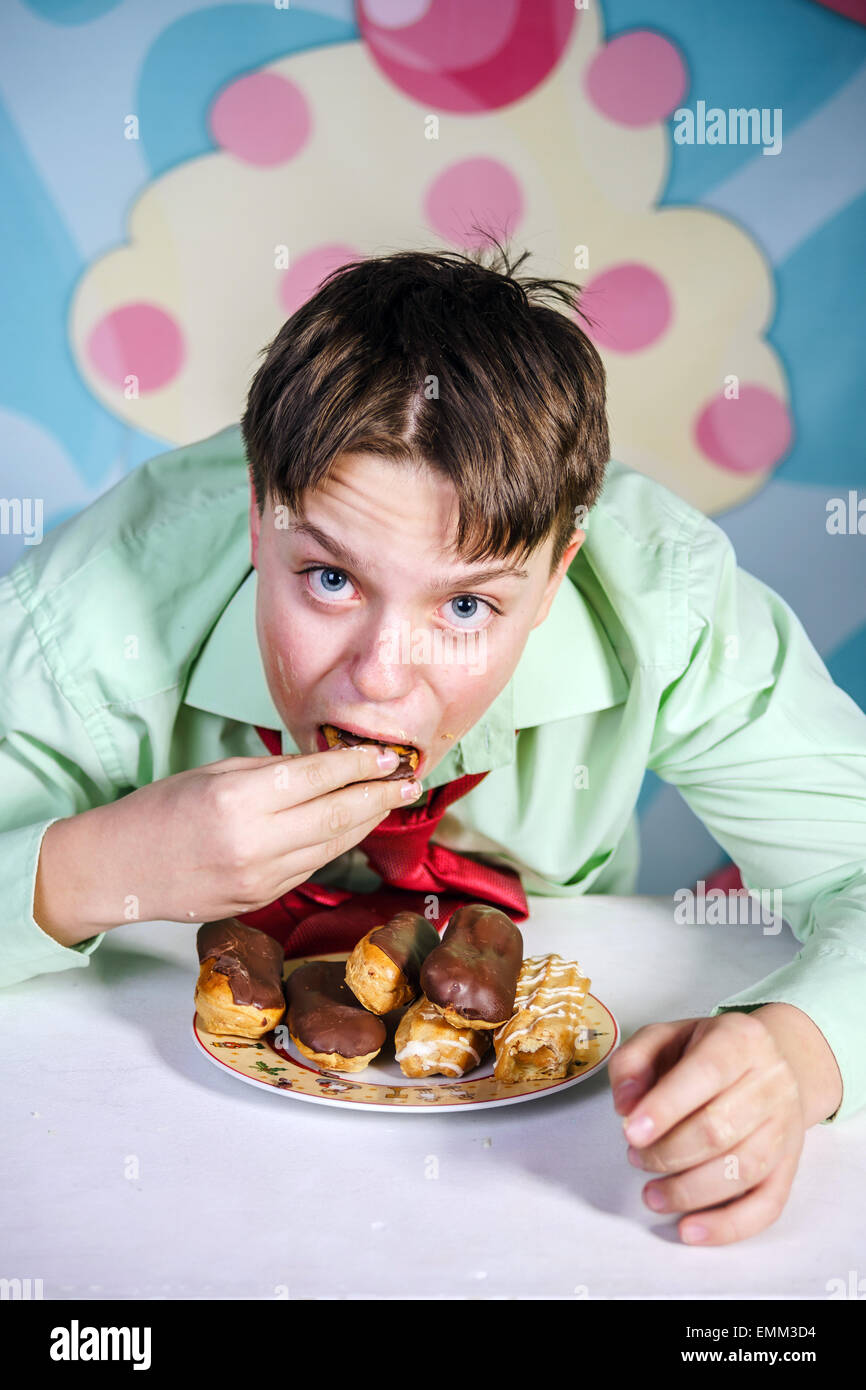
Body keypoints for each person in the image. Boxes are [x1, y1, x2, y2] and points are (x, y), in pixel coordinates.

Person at [2, 242, 864, 1247]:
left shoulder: (663, 596)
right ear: (253, 516)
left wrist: (801, 1054)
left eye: (464, 603)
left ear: (554, 577)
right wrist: (92, 869)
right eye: (328, 578)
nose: (380, 673)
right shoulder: (93, 605)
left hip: (549, 1185)